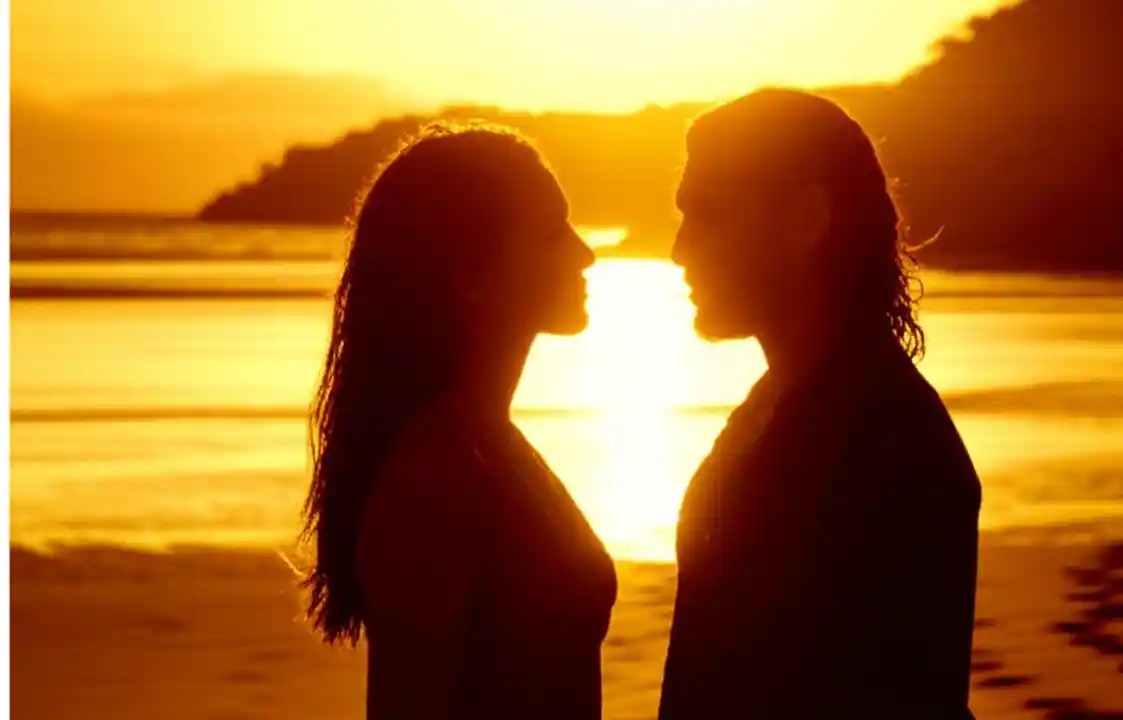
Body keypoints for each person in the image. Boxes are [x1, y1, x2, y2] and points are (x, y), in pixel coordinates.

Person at [659, 89, 982, 719]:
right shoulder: (780, 408)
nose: (679, 249)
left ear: (807, 220)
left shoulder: (882, 441)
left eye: (706, 214)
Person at [301, 123, 616, 719]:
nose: (585, 252)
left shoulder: (487, 443)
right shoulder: (437, 474)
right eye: (551, 234)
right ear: (474, 276)